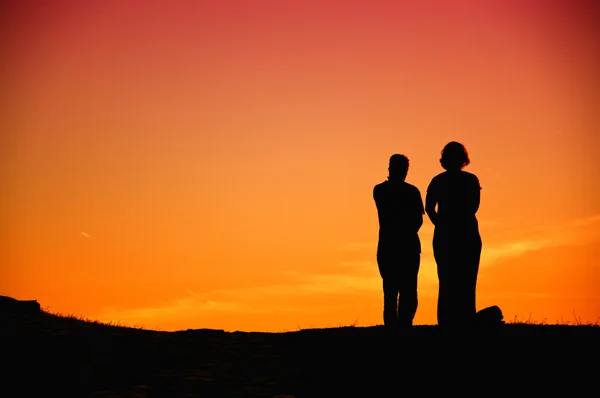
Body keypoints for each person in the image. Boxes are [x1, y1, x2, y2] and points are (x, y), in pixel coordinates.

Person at [425, 141, 482, 328]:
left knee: (447, 281)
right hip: (466, 234)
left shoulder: (438, 180)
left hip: (447, 235)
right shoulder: (471, 180)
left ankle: (447, 322)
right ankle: (466, 321)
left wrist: (440, 223)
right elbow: (474, 206)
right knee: (467, 281)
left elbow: (429, 208)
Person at [373, 154, 424, 329]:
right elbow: (418, 220)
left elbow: (418, 220)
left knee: (392, 292)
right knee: (404, 292)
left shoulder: (380, 190)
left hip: (390, 246)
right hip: (404, 246)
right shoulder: (410, 191)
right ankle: (402, 328)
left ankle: (396, 329)